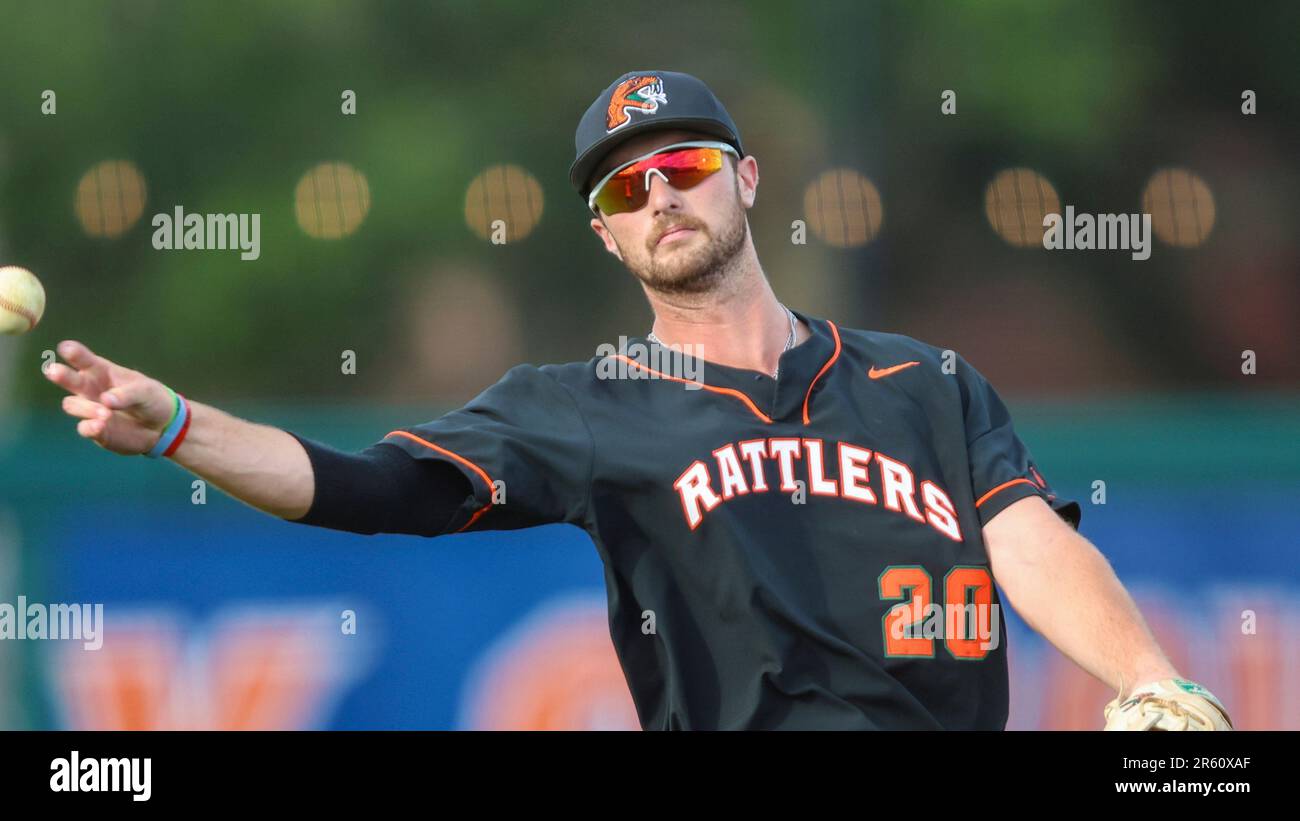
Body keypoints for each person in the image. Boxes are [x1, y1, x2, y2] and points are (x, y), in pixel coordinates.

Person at [44, 70, 1231, 731]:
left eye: (686, 167)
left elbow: (1023, 540)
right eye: (625, 188)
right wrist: (185, 428)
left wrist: (1151, 681)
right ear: (607, 237)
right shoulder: (587, 405)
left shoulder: (923, 382)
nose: (659, 194)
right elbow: (374, 489)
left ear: (745, 179)